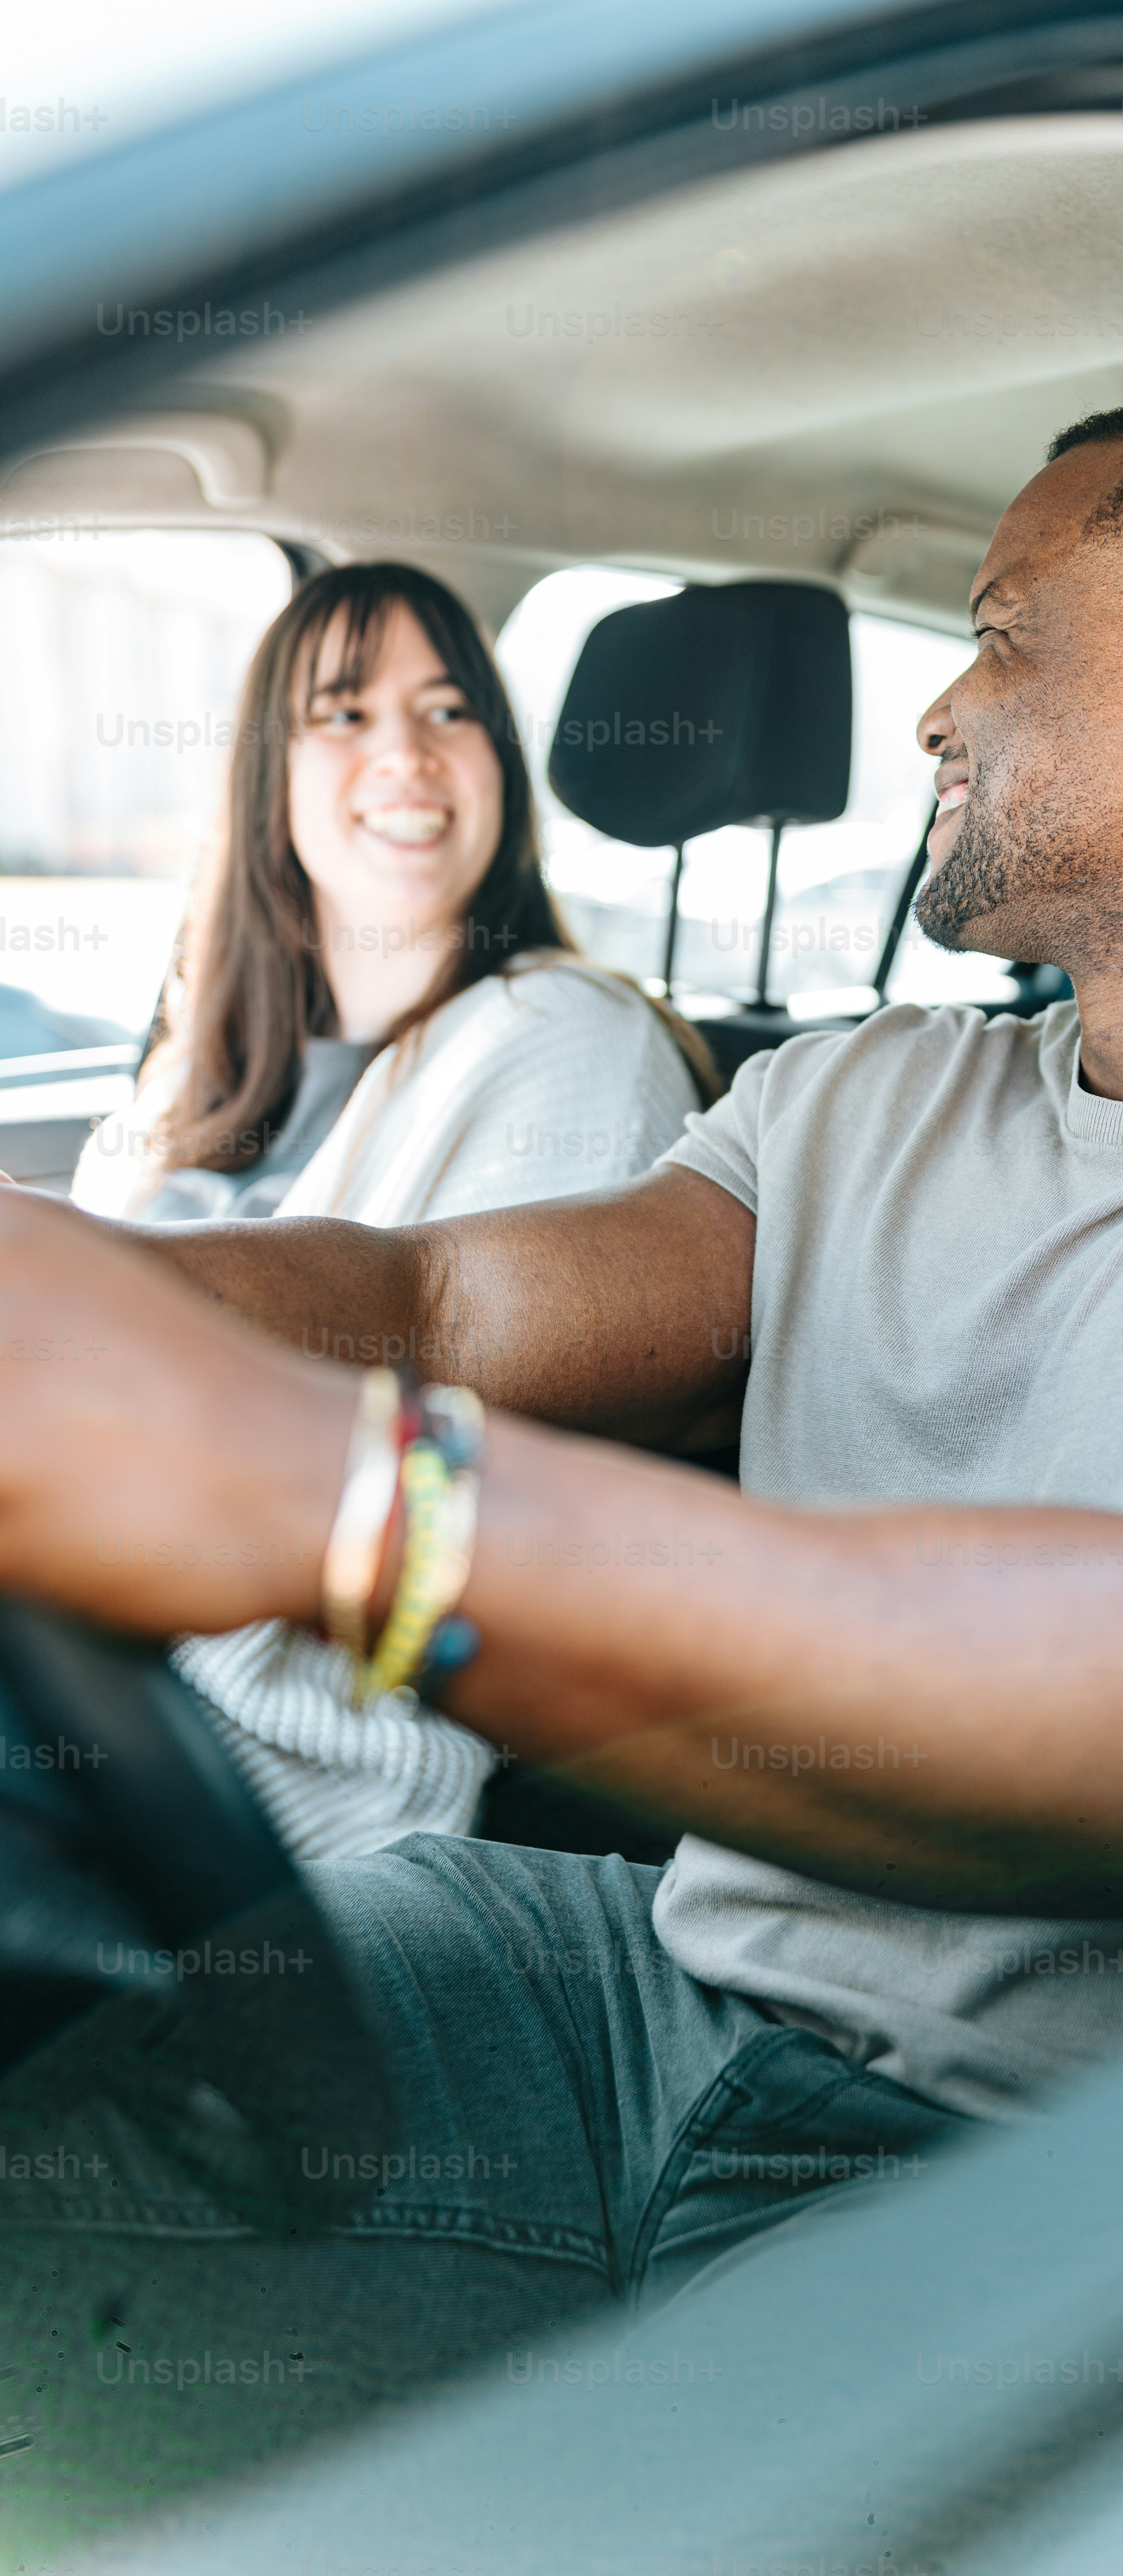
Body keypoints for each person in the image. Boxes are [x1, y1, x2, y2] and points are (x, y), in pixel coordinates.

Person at [0, 389, 1123, 2531]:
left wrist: (341, 1508)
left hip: (1081, 2159)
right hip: (648, 1978)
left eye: (1004, 630)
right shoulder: (864, 1102)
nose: (941, 709)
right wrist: (85, 1301)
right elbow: (437, 1315)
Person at [72, 559, 717, 1857]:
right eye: (346, 712)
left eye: (450, 710)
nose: (407, 755)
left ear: (502, 762)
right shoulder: (196, 1074)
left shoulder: (563, 1035)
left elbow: (477, 1480)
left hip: (260, 1733)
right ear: (273, 771)